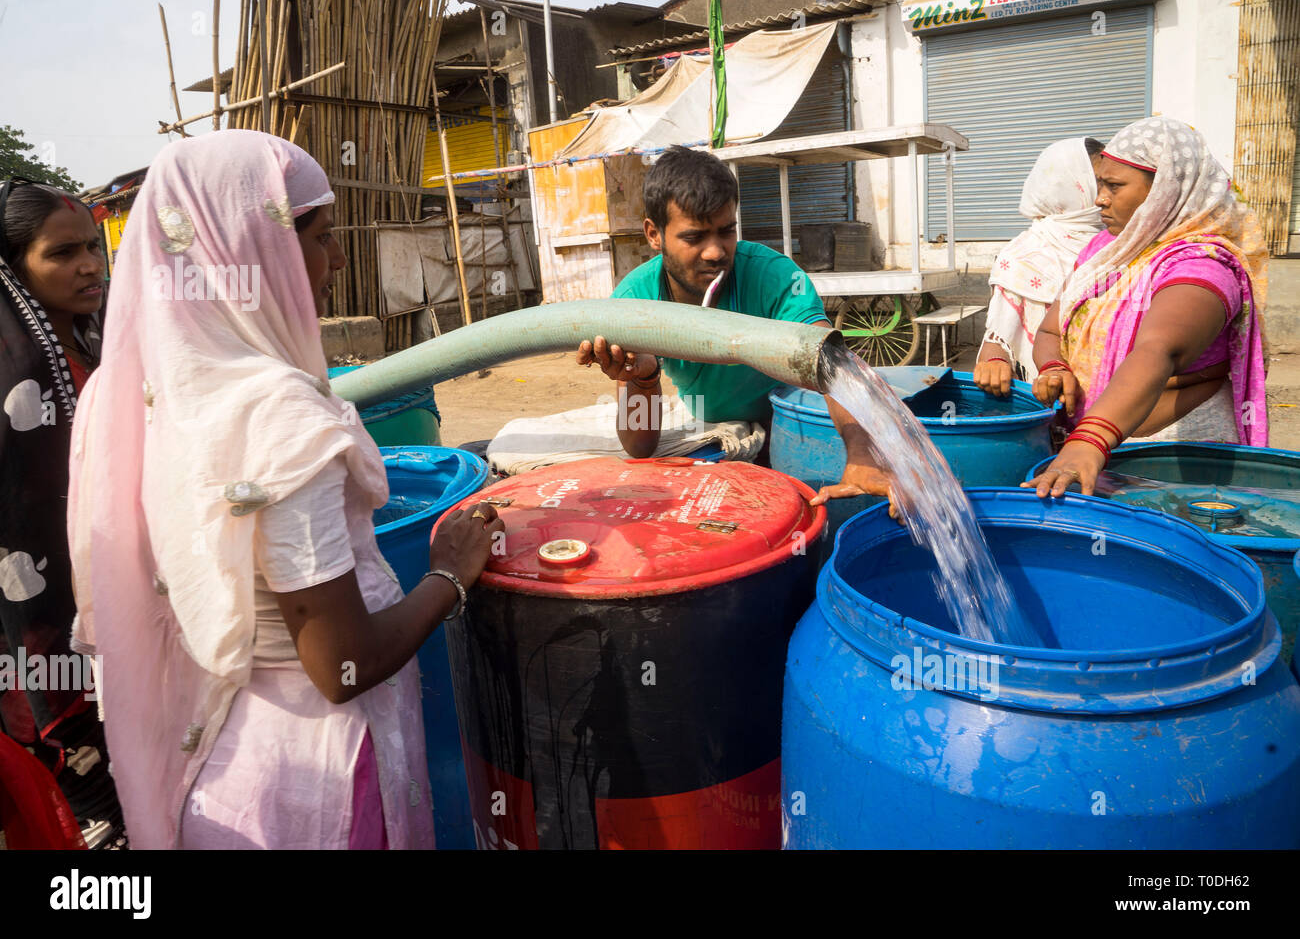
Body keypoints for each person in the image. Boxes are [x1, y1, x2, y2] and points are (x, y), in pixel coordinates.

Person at [66, 130, 501, 849]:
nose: (332, 261)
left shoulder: (128, 393)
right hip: (312, 787)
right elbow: (340, 664)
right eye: (321, 237)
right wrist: (450, 575)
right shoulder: (276, 415)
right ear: (250, 250)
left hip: (211, 761)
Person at [576, 145, 893, 510]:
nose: (715, 252)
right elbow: (639, 446)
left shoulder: (774, 276)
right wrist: (642, 379)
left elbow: (832, 361)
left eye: (726, 232)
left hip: (788, 427)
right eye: (694, 238)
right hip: (713, 434)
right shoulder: (633, 301)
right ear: (654, 234)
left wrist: (864, 454)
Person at [1023, 117, 1268, 498]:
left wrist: (1089, 441)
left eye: (1114, 186)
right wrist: (1055, 367)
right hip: (1098, 448)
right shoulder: (1104, 252)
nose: (1099, 198)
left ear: (1166, 191)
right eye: (1100, 183)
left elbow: (1158, 349)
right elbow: (1052, 328)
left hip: (1176, 457)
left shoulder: (1202, 264)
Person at [0, 177, 124, 847]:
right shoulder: (7, 377)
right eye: (62, 253)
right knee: (91, 816)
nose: (88, 265)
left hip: (127, 608)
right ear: (14, 267)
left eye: (92, 249)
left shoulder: (102, 344)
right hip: (42, 630)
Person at [971, 137, 1105, 396]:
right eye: (1100, 182)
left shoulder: (1121, 242)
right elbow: (998, 339)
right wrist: (995, 364)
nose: (1105, 197)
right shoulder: (1024, 254)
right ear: (1071, 186)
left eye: (1114, 183)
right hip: (1050, 395)